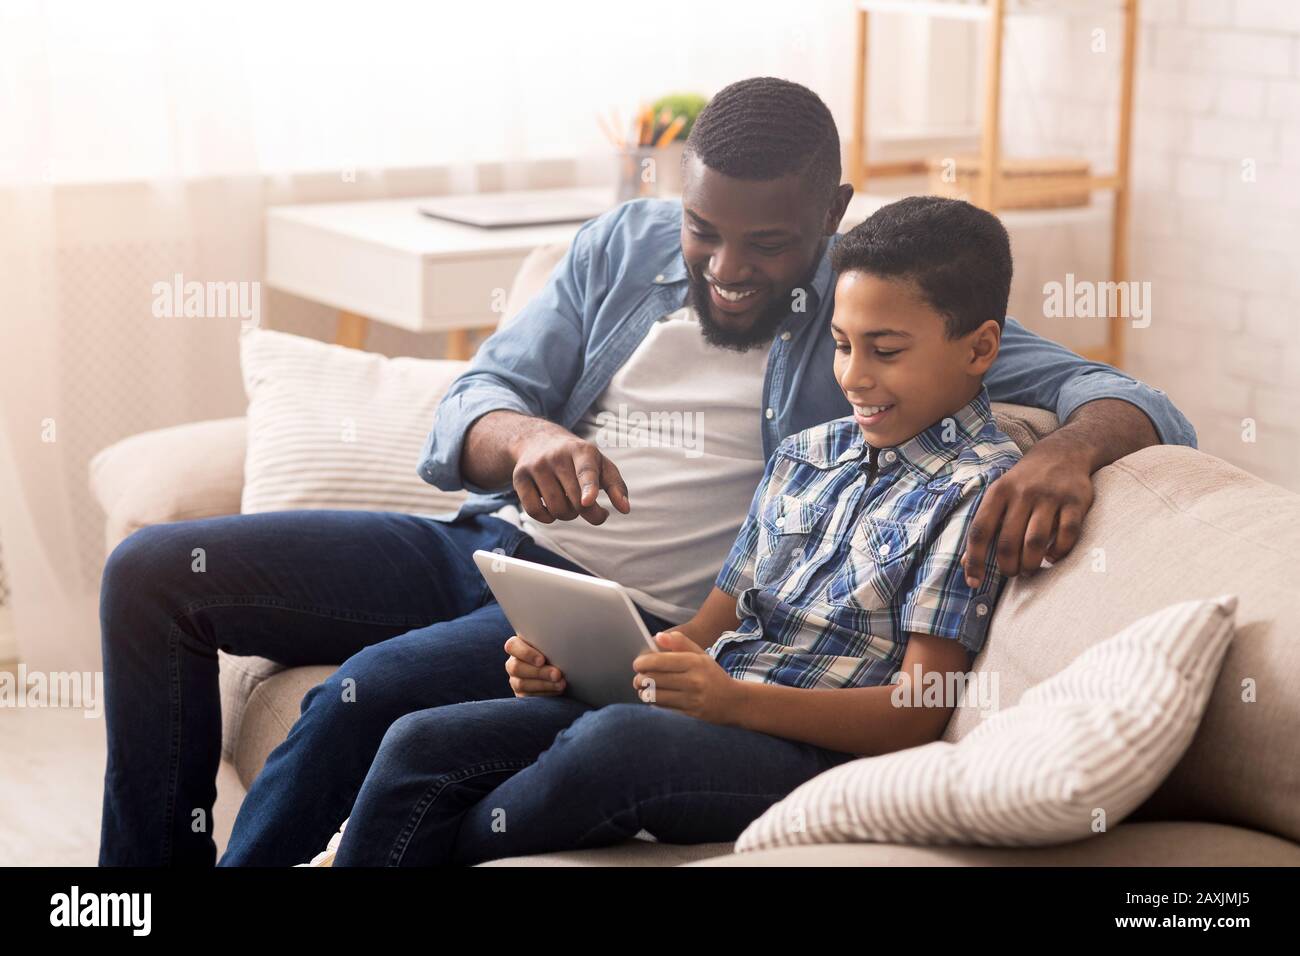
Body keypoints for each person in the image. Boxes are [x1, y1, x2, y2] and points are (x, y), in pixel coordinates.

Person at [97, 76, 1193, 867]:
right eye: (703, 229)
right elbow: (475, 399)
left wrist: (1065, 451)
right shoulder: (622, 245)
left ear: (830, 213)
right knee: (153, 575)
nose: (726, 268)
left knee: (371, 696)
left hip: (632, 608)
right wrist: (530, 440)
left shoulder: (879, 306)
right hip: (492, 549)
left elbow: (1125, 397)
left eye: (765, 244)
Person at [325, 194, 1025, 865]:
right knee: (418, 740)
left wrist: (735, 703)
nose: (854, 377)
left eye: (886, 350)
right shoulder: (807, 455)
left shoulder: (979, 491)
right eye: (842, 345)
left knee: (615, 744)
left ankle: (400, 847)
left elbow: (918, 709)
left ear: (979, 348)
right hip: (705, 713)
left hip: (809, 754)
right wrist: (580, 665)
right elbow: (707, 628)